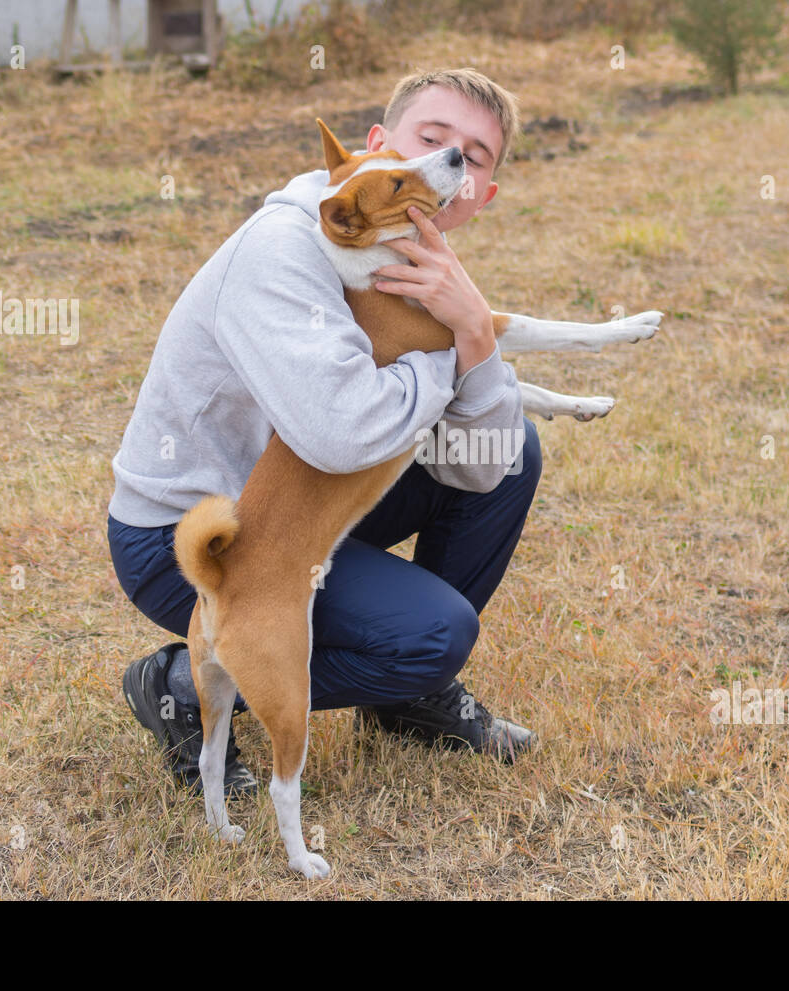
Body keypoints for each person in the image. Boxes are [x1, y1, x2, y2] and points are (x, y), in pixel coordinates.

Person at [106, 68, 541, 797]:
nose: (449, 162)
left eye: (475, 155)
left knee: (510, 448)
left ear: (482, 196)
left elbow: (480, 472)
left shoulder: (408, 258)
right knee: (435, 633)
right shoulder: (287, 251)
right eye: (430, 140)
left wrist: (475, 335)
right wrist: (460, 347)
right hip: (198, 536)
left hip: (303, 510)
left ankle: (405, 690)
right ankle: (185, 680)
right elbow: (341, 436)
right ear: (375, 147)